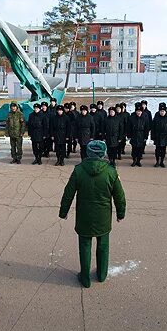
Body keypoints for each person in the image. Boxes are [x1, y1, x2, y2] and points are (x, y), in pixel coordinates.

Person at [59, 140, 126, 288]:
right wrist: (120, 214)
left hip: (84, 216)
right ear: (103, 153)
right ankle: (101, 275)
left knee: (85, 245)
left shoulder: (79, 170)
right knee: (103, 245)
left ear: (88, 153)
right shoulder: (111, 171)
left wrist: (63, 212)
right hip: (103, 216)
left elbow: (68, 193)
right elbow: (120, 196)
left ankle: (85, 278)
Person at [127, 103, 150, 167]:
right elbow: (129, 127)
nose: (138, 113)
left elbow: (147, 128)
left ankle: (138, 161)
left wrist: (146, 136)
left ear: (141, 112)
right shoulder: (132, 117)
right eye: (137, 111)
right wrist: (129, 136)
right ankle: (134, 160)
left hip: (141, 135)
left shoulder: (145, 117)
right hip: (134, 135)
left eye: (140, 111)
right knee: (134, 149)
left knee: (140, 149)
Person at [151, 102, 167, 168]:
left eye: (163, 111)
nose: (162, 112)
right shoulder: (156, 116)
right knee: (157, 150)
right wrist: (153, 136)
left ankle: (162, 161)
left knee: (163, 150)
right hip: (157, 136)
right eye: (161, 111)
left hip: (165, 136)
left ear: (165, 111)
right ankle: (157, 161)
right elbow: (153, 127)